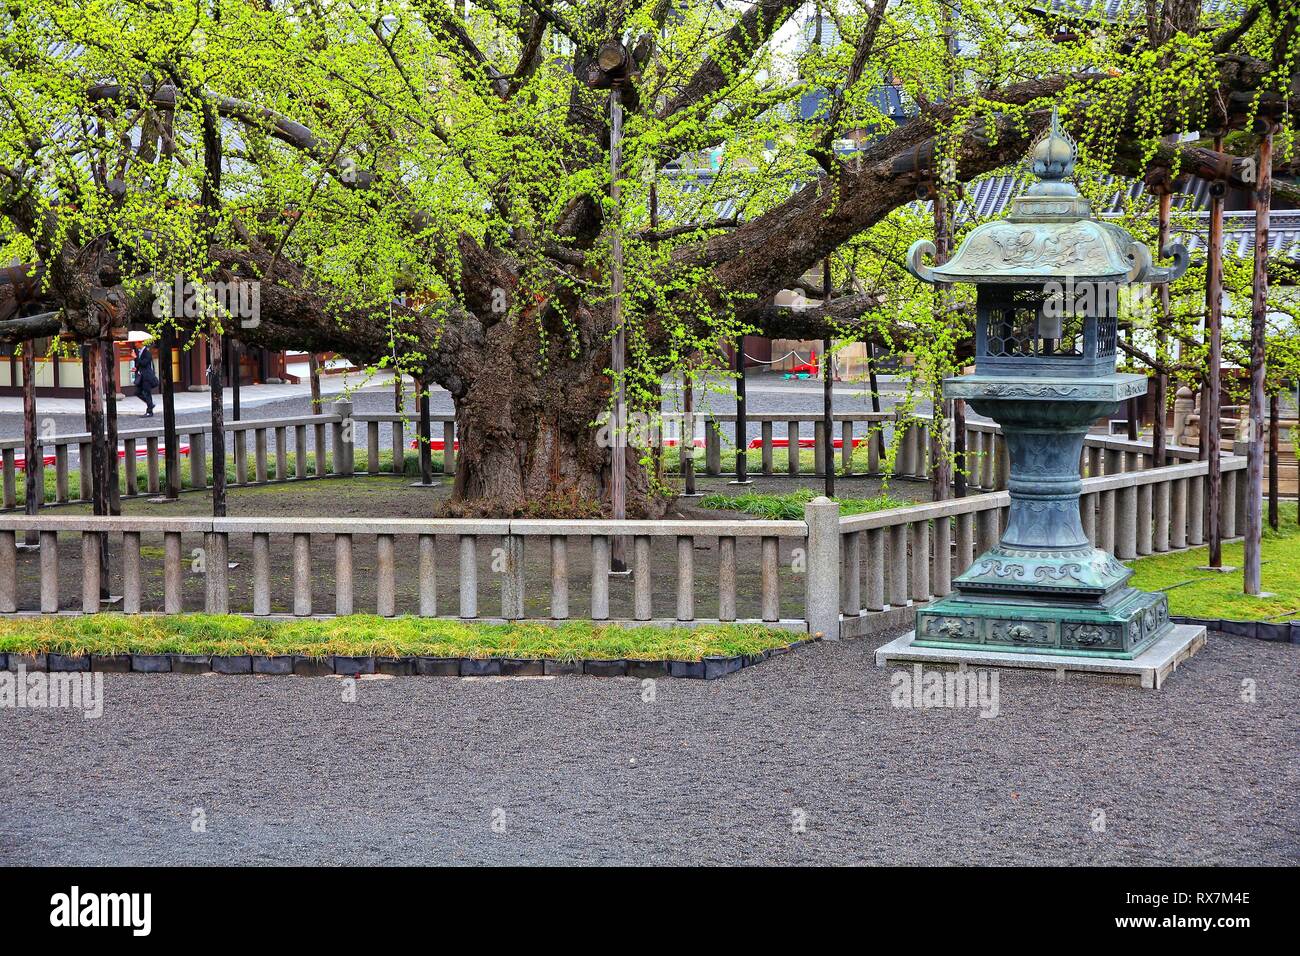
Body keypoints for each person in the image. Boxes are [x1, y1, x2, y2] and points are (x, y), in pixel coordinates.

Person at [133, 342, 159, 417]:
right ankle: (151, 404)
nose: (135, 344)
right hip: (141, 376)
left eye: (136, 343)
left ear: (140, 343)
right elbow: (139, 363)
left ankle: (149, 411)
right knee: (137, 392)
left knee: (147, 393)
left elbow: (144, 363)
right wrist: (136, 368)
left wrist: (135, 357)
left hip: (147, 376)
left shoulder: (147, 352)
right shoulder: (138, 352)